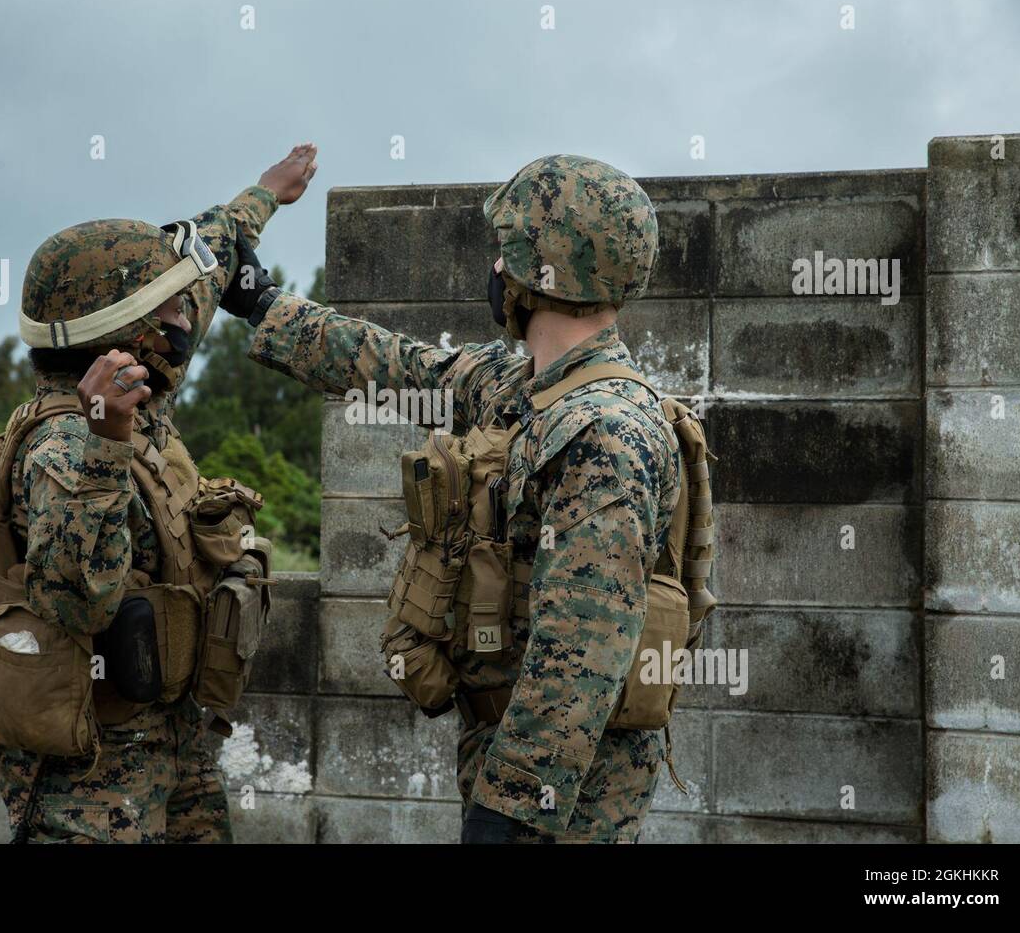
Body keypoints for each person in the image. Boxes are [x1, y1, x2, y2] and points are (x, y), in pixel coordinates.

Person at [223, 153, 686, 843]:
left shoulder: (607, 432)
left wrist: (507, 810)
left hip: (564, 796)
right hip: (501, 750)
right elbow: (388, 365)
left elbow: (582, 652)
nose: (496, 269)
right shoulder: (514, 382)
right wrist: (258, 299)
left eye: (506, 253)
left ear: (537, 269)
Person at [0, 145, 319, 844]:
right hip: (93, 771)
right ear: (127, 330)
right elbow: (74, 601)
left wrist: (264, 194)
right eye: (169, 307)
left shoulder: (144, 390)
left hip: (172, 745)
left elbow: (209, 249)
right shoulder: (63, 448)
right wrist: (105, 448)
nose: (187, 318)